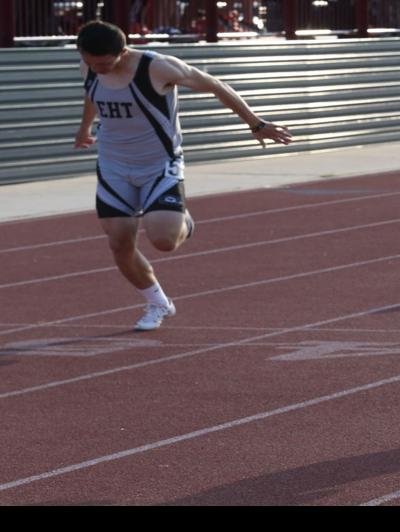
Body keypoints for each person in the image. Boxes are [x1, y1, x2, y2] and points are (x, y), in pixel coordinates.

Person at [72, 21, 294, 331]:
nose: (100, 69)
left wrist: (255, 124)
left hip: (158, 163)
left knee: (163, 240)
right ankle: (157, 302)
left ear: (122, 52)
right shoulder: (88, 65)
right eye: (93, 64)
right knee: (119, 242)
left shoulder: (157, 67)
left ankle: (182, 219)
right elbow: (92, 93)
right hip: (114, 165)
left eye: (106, 64)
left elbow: (216, 85)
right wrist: (84, 128)